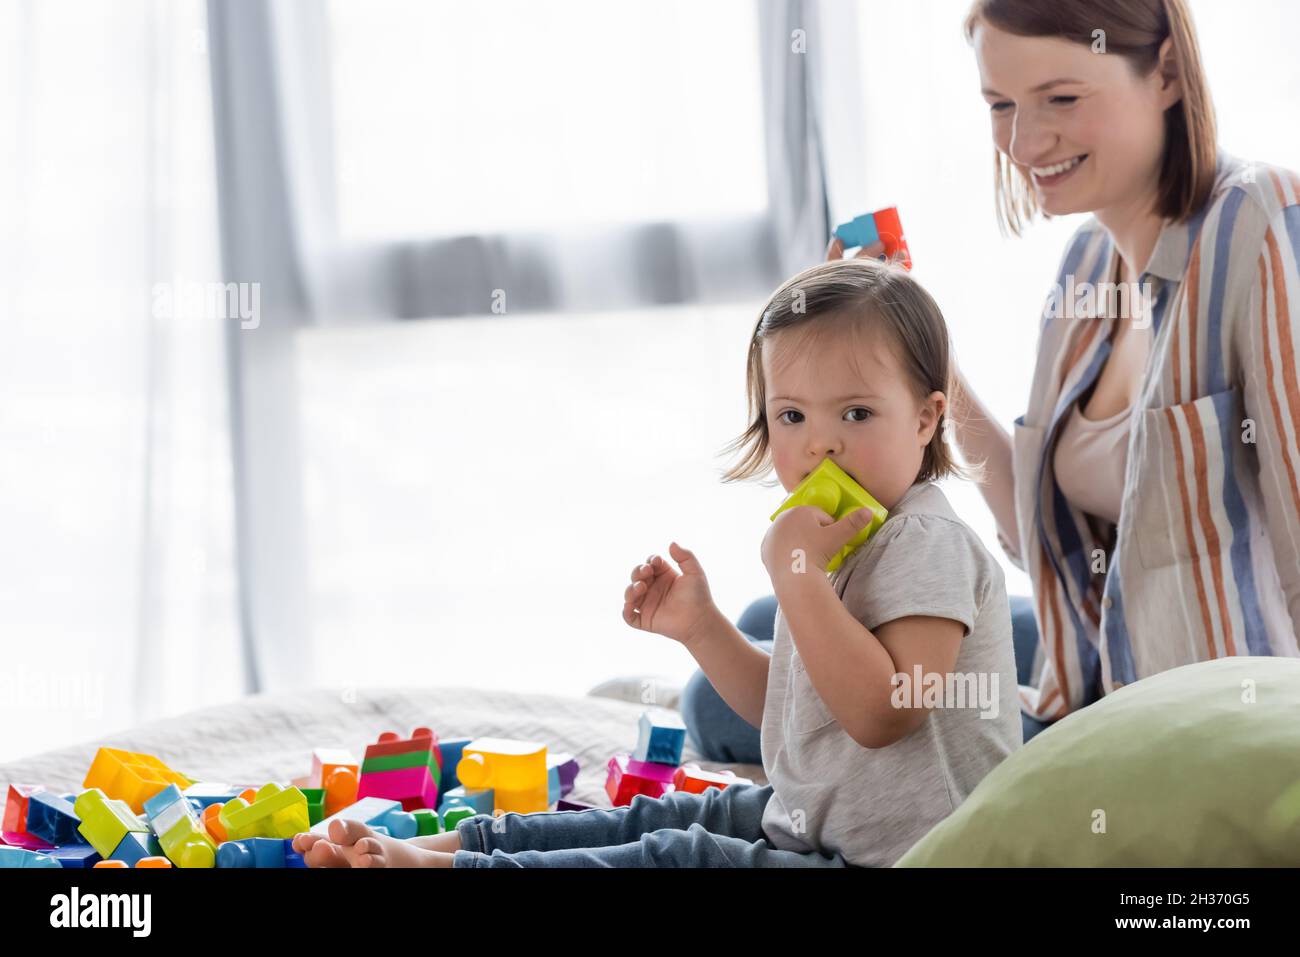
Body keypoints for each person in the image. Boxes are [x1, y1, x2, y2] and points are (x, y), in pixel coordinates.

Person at [684, 0, 1300, 758]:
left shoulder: (1260, 219)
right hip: (1081, 657)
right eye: (1001, 105)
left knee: (748, 692)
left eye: (1062, 98)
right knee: (752, 629)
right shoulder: (1086, 267)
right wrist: (908, 347)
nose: (1025, 141)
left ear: (1167, 71)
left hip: (1179, 711)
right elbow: (1042, 528)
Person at [293, 256, 1020, 867]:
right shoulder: (834, 540)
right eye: (792, 416)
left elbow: (880, 712)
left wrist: (791, 569)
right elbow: (801, 706)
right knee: (669, 812)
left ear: (925, 418)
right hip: (821, 824)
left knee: (682, 855)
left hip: (902, 858)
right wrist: (703, 629)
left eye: (856, 414)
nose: (819, 445)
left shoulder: (928, 542)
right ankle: (457, 846)